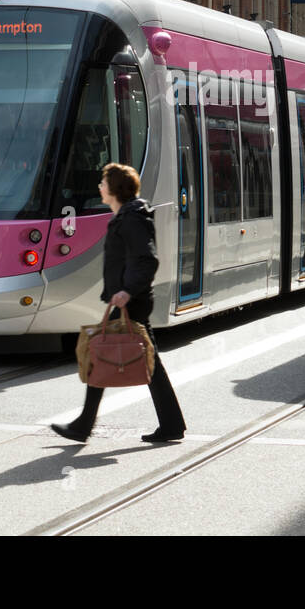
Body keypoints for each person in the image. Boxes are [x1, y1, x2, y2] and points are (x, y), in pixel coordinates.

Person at [52, 162, 186, 444]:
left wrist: (127, 290)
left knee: (101, 353)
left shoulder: (132, 219)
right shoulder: (127, 216)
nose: (99, 187)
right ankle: (171, 424)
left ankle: (83, 425)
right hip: (130, 298)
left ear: (114, 189)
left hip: (131, 300)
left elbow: (147, 259)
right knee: (143, 362)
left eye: (103, 183)